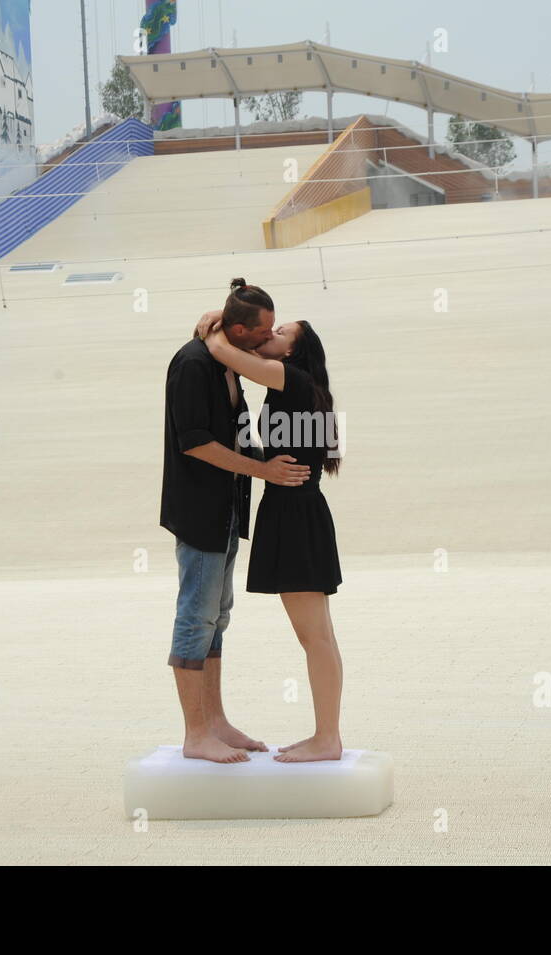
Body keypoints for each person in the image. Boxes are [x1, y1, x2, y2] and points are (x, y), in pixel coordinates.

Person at [160, 278, 311, 763]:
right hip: (199, 511)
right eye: (264, 330)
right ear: (241, 329)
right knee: (195, 618)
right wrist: (263, 470)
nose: (268, 338)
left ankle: (216, 722)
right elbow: (196, 442)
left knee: (217, 618)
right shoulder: (193, 363)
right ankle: (195, 734)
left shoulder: (224, 356)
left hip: (226, 509)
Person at [194, 306, 345, 762]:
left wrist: (213, 324)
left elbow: (225, 351)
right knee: (317, 635)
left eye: (281, 332)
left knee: (315, 636)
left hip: (296, 515)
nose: (271, 333)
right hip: (293, 509)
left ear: (294, 350)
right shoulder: (295, 387)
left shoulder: (290, 379)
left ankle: (328, 739)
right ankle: (326, 734)